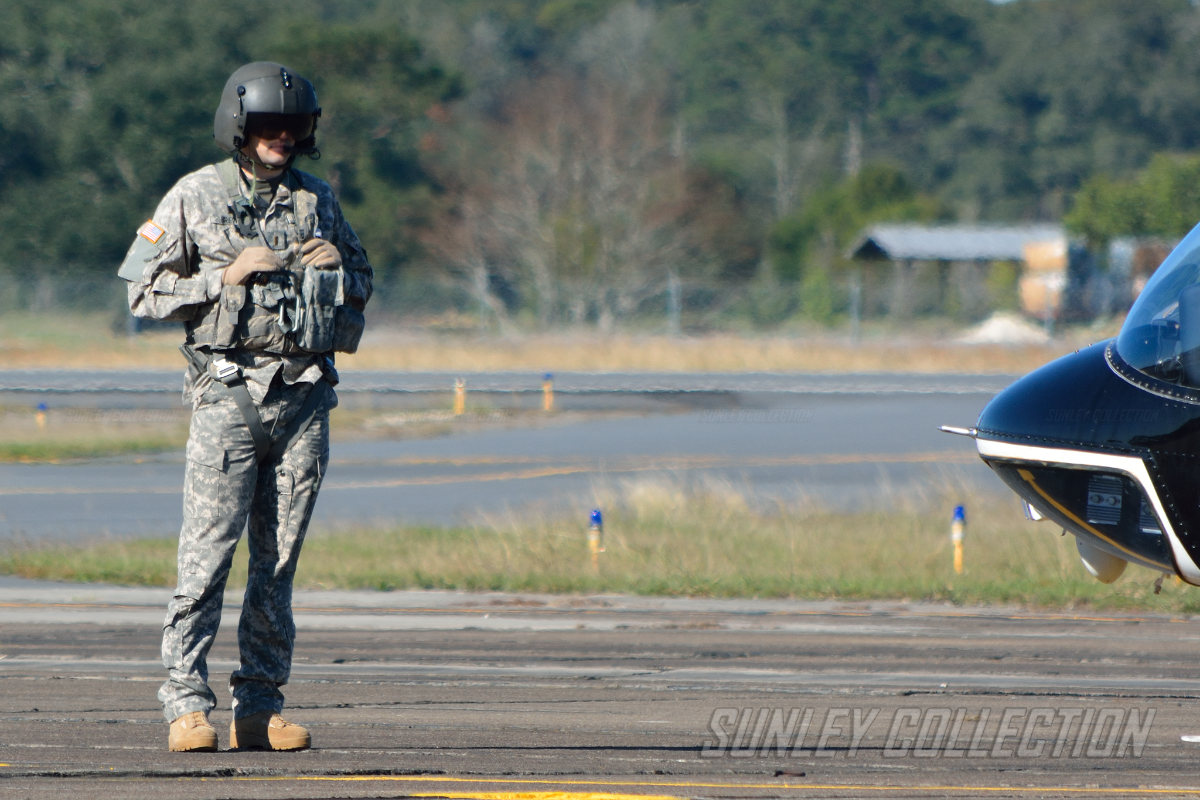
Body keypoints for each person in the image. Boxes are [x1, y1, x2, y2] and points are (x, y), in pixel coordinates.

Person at [119, 62, 372, 752]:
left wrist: (335, 270)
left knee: (279, 565)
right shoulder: (194, 195)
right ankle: (186, 705)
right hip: (228, 398)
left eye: (293, 126)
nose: (281, 136)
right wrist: (220, 277)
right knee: (205, 560)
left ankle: (259, 707)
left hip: (303, 401)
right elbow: (139, 289)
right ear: (240, 127)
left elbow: (364, 282)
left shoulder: (318, 201)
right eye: (266, 125)